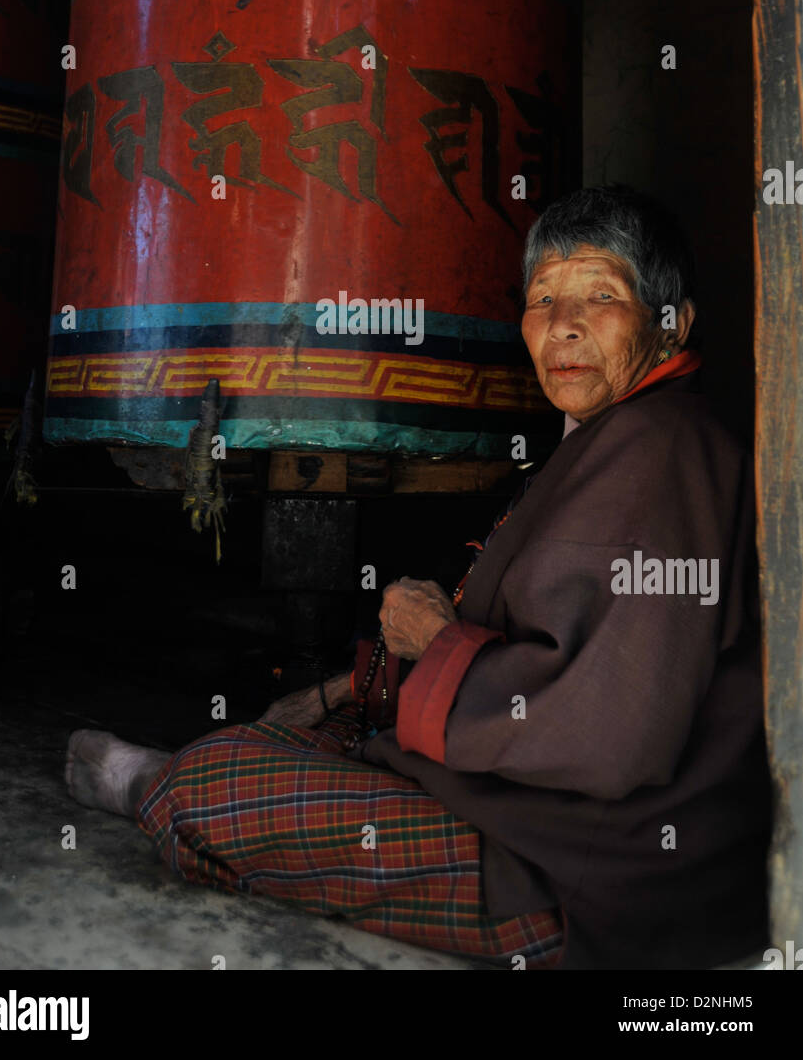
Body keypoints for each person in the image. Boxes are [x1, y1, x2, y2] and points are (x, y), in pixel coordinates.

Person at [65, 184, 771, 969]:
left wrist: (436, 642)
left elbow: (610, 733)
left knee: (218, 780)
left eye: (600, 295)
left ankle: (160, 788)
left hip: (586, 872)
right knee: (333, 724)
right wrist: (346, 685)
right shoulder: (616, 436)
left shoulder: (664, 452)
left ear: (670, 322)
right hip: (544, 812)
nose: (562, 325)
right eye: (542, 299)